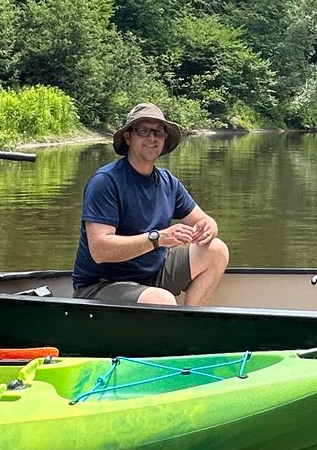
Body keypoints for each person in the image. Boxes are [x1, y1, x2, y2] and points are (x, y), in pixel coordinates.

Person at [72, 103, 229, 306]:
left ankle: (190, 327)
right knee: (161, 299)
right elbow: (100, 250)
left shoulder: (168, 181)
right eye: (143, 131)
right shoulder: (105, 181)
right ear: (128, 137)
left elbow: (203, 219)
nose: (152, 138)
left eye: (158, 132)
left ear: (164, 139)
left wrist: (209, 226)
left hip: (152, 272)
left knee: (216, 250)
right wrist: (158, 238)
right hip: (102, 285)